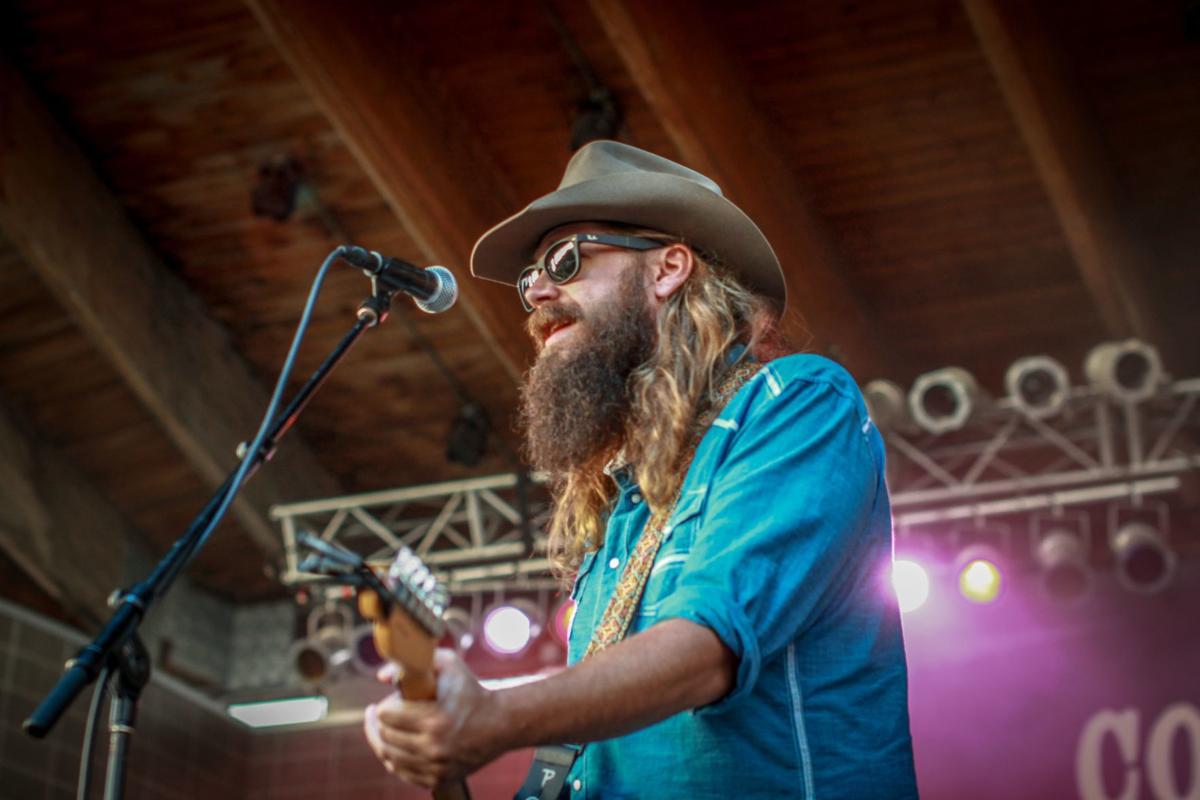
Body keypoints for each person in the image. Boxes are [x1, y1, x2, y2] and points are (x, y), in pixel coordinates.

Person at [364, 140, 918, 799]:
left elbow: (707, 647)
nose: (536, 291)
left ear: (668, 269)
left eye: (565, 260)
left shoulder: (796, 402)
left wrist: (496, 716)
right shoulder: (619, 500)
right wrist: (451, 736)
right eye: (530, 277)